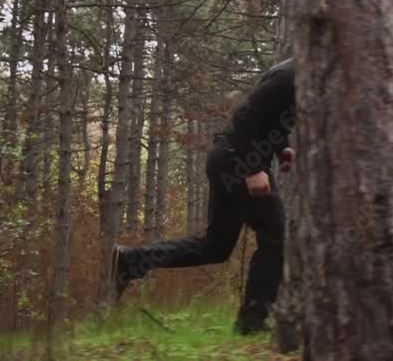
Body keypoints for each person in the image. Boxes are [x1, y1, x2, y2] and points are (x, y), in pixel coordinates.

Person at [111, 57, 296, 335]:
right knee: (275, 237)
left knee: (215, 247)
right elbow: (247, 116)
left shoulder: (296, 74)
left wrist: (281, 148)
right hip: (237, 163)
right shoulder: (289, 76)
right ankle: (253, 323)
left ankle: (131, 261)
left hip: (227, 160)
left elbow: (271, 118)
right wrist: (254, 169)